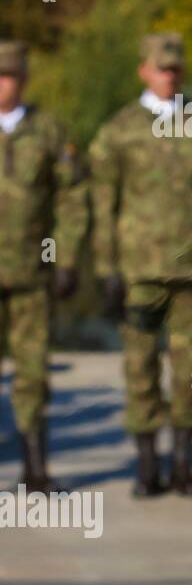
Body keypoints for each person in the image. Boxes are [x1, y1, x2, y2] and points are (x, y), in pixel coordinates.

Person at [89, 33, 192, 496]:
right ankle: (147, 463)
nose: (168, 75)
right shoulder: (119, 130)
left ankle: (183, 463)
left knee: (191, 367)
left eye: (175, 68)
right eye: (160, 67)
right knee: (139, 367)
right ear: (144, 70)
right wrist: (105, 268)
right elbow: (102, 203)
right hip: (139, 269)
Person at [0, 40, 89, 492]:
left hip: (30, 271)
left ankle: (34, 466)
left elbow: (72, 197)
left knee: (32, 369)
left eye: (9, 77)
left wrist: (66, 257)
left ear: (22, 80)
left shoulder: (48, 132)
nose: (2, 85)